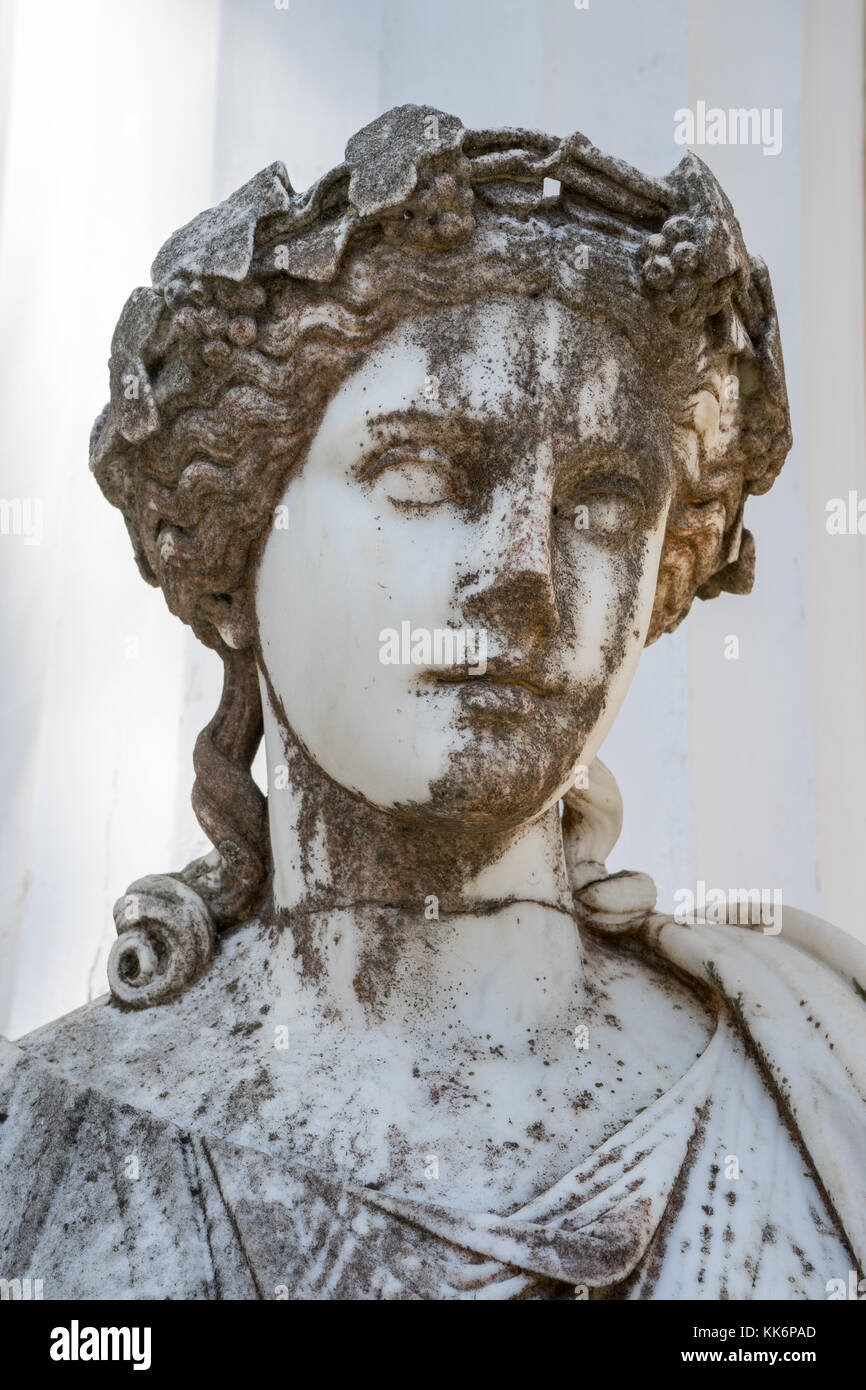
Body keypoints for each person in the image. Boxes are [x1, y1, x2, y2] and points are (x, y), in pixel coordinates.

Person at [1, 106, 863, 1301]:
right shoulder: (39, 1150)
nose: (524, 574)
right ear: (240, 545)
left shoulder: (825, 1085)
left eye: (604, 504)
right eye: (420, 475)